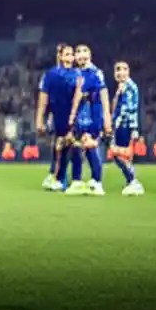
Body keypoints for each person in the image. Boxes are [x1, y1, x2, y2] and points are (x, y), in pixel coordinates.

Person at [36, 43, 82, 193]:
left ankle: (75, 179)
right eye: (67, 54)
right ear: (60, 56)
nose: (70, 57)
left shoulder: (78, 74)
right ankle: (57, 177)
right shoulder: (51, 75)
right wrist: (40, 119)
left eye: (72, 54)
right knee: (60, 146)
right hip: (58, 114)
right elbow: (43, 98)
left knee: (75, 146)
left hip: (75, 114)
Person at [66, 45, 110, 196]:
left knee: (90, 145)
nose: (80, 55)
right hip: (80, 115)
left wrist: (106, 117)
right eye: (78, 52)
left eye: (84, 51)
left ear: (90, 55)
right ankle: (77, 181)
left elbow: (101, 94)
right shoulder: (76, 73)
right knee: (76, 147)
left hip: (92, 114)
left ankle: (97, 182)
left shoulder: (94, 73)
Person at [110, 61, 145, 196]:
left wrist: (133, 129)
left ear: (128, 72)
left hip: (125, 126)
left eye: (124, 69)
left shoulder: (129, 87)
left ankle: (133, 181)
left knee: (119, 154)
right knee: (120, 155)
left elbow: (130, 109)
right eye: (118, 69)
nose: (120, 72)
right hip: (122, 125)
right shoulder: (122, 87)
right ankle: (130, 180)